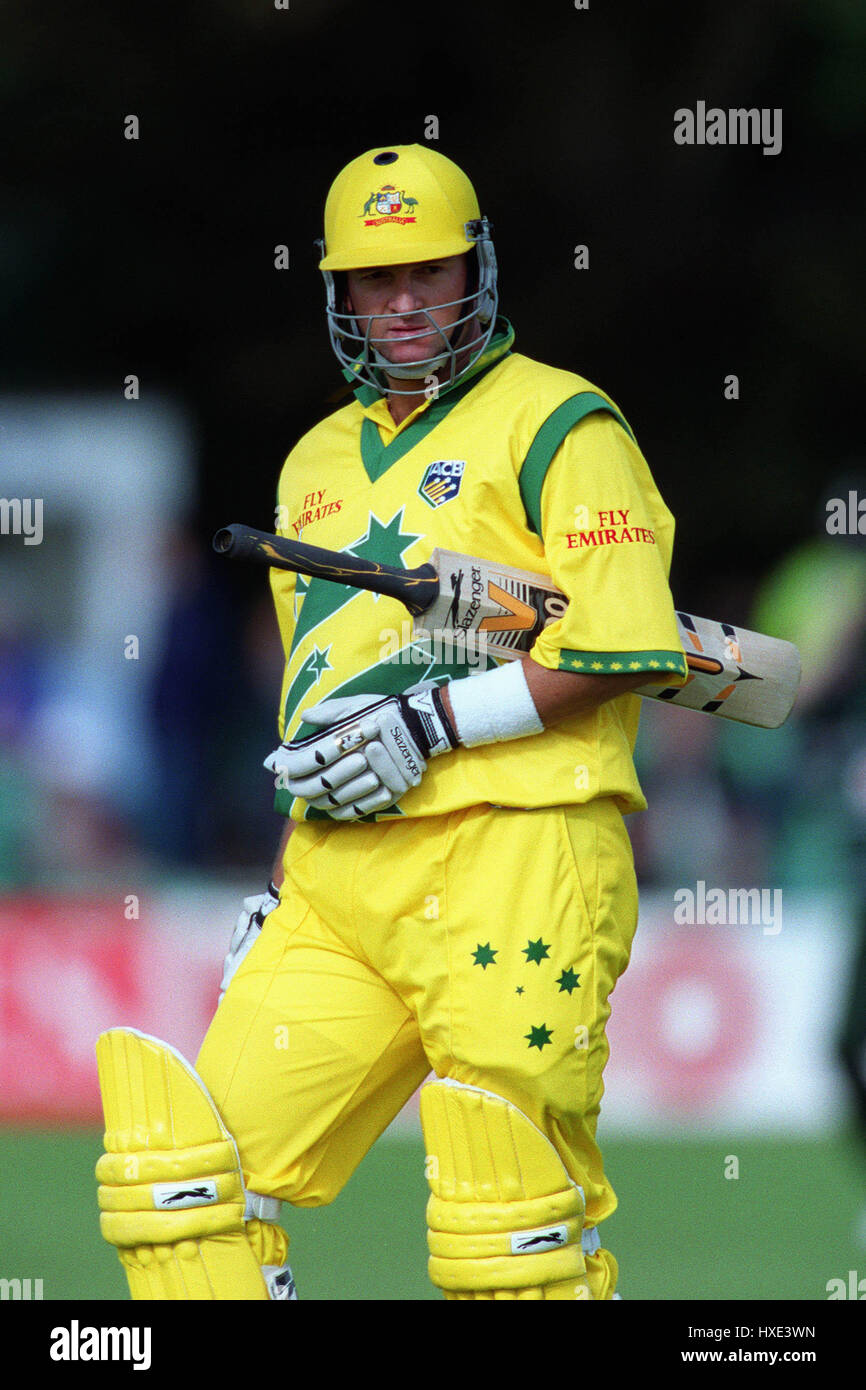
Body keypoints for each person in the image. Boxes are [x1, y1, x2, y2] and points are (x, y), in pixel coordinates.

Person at [94, 144, 688, 1301]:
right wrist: (279, 879)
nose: (403, 301)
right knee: (177, 1185)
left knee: (505, 1235)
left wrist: (434, 727)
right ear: (337, 293)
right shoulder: (312, 462)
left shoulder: (563, 423)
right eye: (373, 279)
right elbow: (320, 699)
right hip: (336, 875)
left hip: (517, 850)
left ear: (478, 270)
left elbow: (622, 647)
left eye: (428, 271)